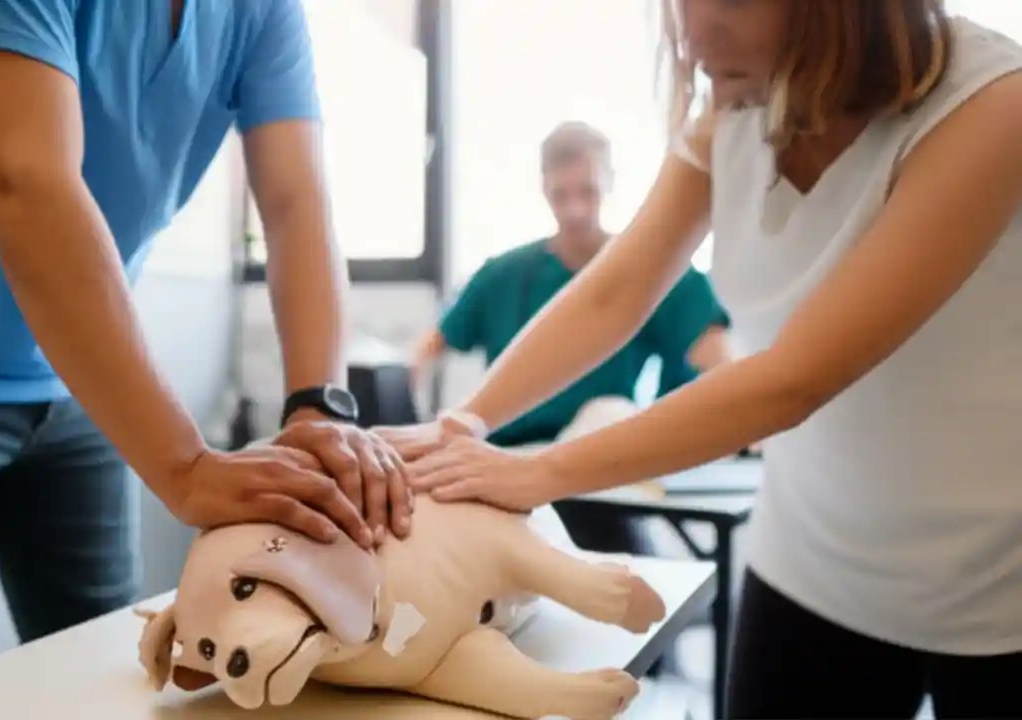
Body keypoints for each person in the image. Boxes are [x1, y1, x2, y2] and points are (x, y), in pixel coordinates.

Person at [379, 1, 1022, 717]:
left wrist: (536, 473)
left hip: (996, 588)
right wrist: (467, 422)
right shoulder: (732, 116)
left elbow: (796, 377)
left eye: (734, 2)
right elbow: (614, 295)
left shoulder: (991, 104)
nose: (693, 35)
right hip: (814, 565)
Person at [0, 0, 410, 712]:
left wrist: (318, 405)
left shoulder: (261, 11)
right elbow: (21, 184)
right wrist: (186, 469)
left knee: (119, 674)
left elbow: (297, 203)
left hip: (70, 371)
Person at [409, 121, 734, 553]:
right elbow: (426, 351)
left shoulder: (653, 274)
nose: (576, 210)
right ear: (543, 188)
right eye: (562, 195)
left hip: (600, 473)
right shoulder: (502, 275)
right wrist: (424, 426)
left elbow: (720, 363)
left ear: (611, 182)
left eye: (589, 192)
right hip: (508, 463)